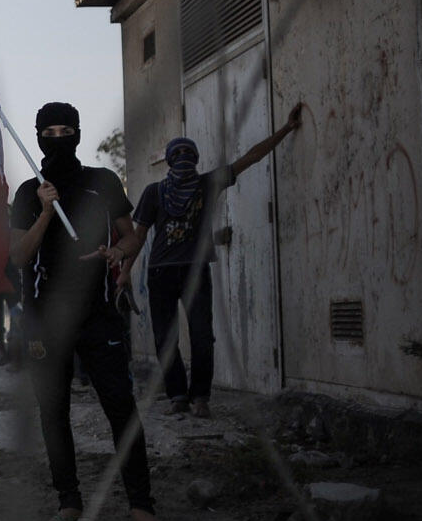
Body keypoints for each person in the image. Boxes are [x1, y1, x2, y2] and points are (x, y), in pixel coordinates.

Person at [11, 102, 176, 521]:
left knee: (121, 409)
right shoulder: (30, 191)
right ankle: (68, 501)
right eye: (50, 130)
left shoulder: (101, 182)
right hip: (46, 322)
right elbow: (18, 256)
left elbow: (131, 234)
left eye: (67, 129)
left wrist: (121, 255)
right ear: (38, 136)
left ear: (78, 134)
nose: (59, 137)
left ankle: (142, 506)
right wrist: (46, 212)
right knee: (53, 414)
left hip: (100, 317)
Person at [127, 106, 302, 417]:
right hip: (160, 273)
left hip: (195, 272)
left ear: (195, 159)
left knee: (202, 335)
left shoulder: (208, 184)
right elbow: (138, 237)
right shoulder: (154, 193)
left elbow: (251, 157)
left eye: (187, 153)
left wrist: (286, 129)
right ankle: (178, 396)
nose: (182, 158)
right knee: (164, 339)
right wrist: (124, 272)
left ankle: (200, 398)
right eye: (177, 153)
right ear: (169, 160)